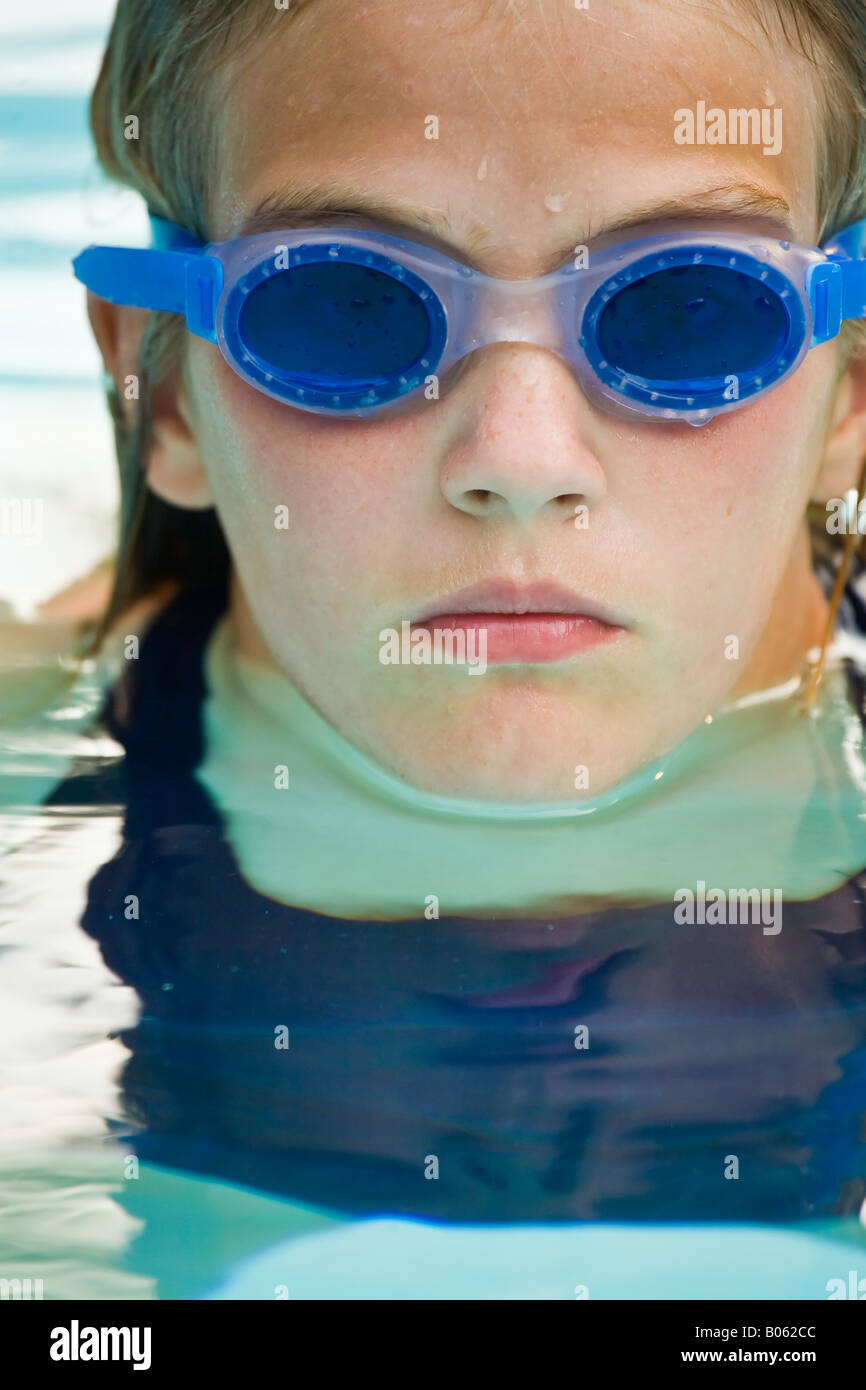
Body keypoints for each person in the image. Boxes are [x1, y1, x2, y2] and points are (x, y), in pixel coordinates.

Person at [28, 0, 866, 1223]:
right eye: (345, 303)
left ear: (849, 391)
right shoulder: (39, 712)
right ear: (158, 390)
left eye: (686, 306)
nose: (518, 458)